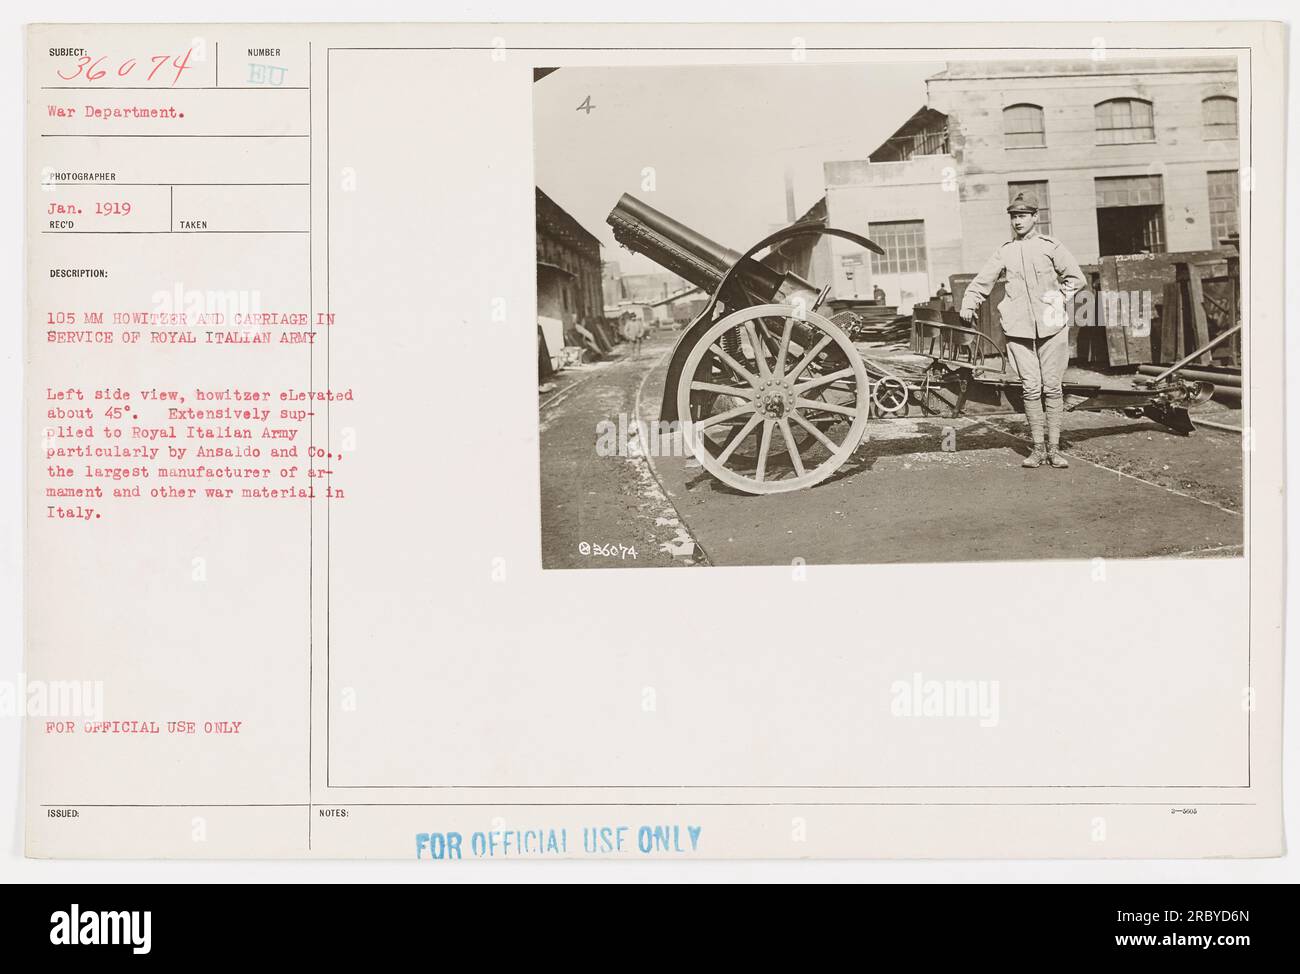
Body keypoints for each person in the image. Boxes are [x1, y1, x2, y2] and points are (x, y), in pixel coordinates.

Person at [959, 191, 1086, 469]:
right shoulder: (1005, 251)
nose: (1017, 222)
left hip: (1052, 328)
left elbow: (1076, 279)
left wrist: (1057, 299)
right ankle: (1038, 449)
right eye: (1014, 217)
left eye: (1022, 216)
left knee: (1052, 388)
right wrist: (969, 302)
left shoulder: (1051, 246)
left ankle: (1054, 449)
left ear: (1035, 217)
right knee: (1030, 389)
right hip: (1018, 330)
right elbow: (983, 282)